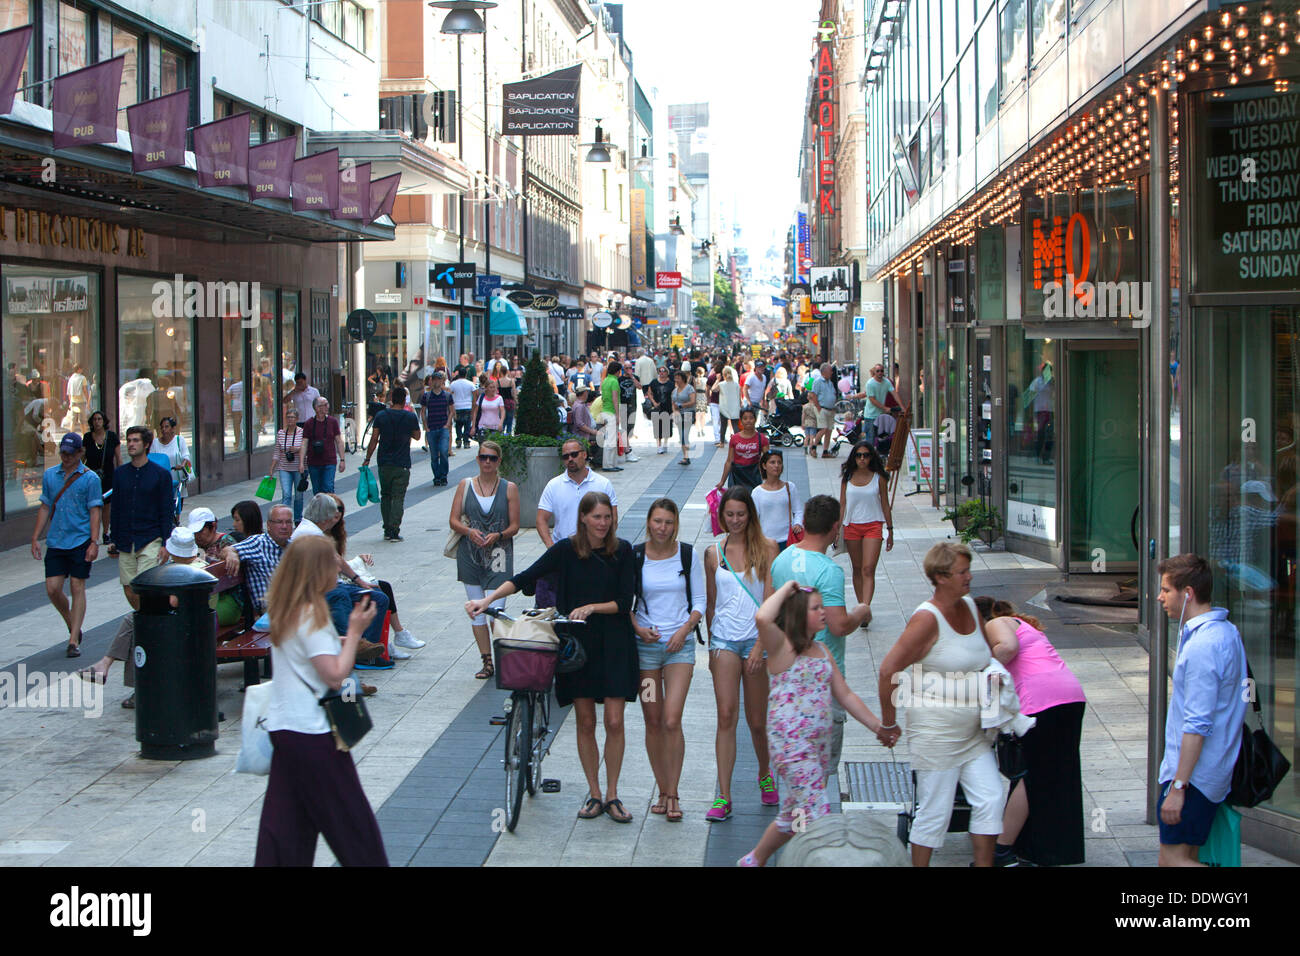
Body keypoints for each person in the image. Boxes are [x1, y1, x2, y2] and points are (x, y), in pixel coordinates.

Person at [468, 491, 640, 823]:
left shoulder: (622, 552)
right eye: (597, 517)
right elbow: (522, 579)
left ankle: (613, 793)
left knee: (615, 721)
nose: (603, 523)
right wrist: (485, 600)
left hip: (615, 640)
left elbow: (624, 600)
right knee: (586, 721)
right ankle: (594, 792)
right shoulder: (566, 550)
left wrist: (592, 607)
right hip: (577, 645)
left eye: (607, 517)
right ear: (583, 519)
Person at [737, 581, 894, 866]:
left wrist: (877, 726)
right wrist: (787, 588)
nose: (823, 612)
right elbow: (762, 617)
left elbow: (844, 694)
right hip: (792, 748)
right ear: (798, 614)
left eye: (823, 607)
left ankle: (753, 860)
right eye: (816, 608)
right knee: (818, 815)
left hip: (816, 749)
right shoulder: (782, 648)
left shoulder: (822, 651)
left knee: (792, 816)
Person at [254, 536, 387, 866]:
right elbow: (335, 676)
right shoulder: (313, 612)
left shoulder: (286, 607)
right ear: (317, 569)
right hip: (313, 734)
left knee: (286, 824)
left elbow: (305, 652)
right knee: (351, 822)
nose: (338, 566)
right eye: (332, 561)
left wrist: (336, 639)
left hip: (284, 728)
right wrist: (355, 633)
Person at [876, 542, 1003, 867]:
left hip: (974, 733)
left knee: (990, 797)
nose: (969, 577)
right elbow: (889, 669)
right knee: (934, 813)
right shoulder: (926, 619)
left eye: (968, 570)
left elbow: (989, 659)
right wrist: (888, 723)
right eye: (963, 572)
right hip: (936, 735)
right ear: (942, 577)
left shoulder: (972, 607)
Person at [974, 597, 1087, 867]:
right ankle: (1045, 847)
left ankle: (1001, 848)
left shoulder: (997, 623)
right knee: (1057, 773)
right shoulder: (1022, 624)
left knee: (1032, 775)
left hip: (1042, 701)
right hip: (1070, 697)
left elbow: (1008, 650)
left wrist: (975, 667)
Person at [1154, 553, 1248, 868]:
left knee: (1174, 859)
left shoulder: (1203, 646)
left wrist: (1178, 787)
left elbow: (1197, 724)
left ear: (1188, 593)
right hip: (1208, 773)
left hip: (1194, 777)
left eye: (1166, 590)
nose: (1160, 597)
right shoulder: (1226, 632)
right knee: (1180, 857)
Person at [770, 494, 871, 782]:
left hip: (788, 674)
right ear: (835, 528)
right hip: (823, 678)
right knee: (820, 774)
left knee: (796, 768)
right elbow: (839, 626)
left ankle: (796, 821)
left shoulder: (782, 559)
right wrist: (861, 612)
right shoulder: (829, 570)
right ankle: (810, 824)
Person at [79, 426, 173, 703]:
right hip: (126, 544)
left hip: (150, 541)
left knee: (143, 596)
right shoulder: (120, 475)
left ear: (147, 444)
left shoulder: (160, 475)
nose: (130, 445)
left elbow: (167, 509)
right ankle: (145, 625)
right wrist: (113, 539)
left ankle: (130, 644)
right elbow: (116, 509)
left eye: (135, 441)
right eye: (128, 441)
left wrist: (166, 542)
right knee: (133, 597)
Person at [704, 487, 780, 821]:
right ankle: (724, 794)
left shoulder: (767, 548)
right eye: (729, 514)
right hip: (723, 640)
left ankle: (765, 771)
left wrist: (761, 647)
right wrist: (710, 646)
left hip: (754, 641)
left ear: (750, 514)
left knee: (757, 721)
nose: (735, 520)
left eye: (741, 514)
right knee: (725, 715)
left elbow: (771, 602)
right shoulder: (713, 552)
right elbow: (710, 602)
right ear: (722, 516)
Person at [632, 500, 704, 823]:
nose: (662, 528)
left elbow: (699, 602)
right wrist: (637, 627)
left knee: (672, 719)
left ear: (676, 525)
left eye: (668, 522)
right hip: (646, 650)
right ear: (649, 523)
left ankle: (673, 791)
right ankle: (661, 789)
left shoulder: (687, 554)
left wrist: (685, 629)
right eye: (657, 521)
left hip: (680, 648)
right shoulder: (634, 555)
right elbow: (625, 602)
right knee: (653, 719)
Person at [449, 440, 520, 680]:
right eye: (482, 457)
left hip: (499, 554)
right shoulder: (465, 485)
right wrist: (469, 532)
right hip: (470, 554)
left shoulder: (509, 488)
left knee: (495, 611)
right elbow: (454, 520)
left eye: (491, 458)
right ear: (477, 459)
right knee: (476, 611)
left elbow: (515, 526)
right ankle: (487, 661)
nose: (487, 462)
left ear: (499, 461)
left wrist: (498, 535)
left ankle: (502, 659)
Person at [324, 493, 425, 657]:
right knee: (379, 593)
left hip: (341, 579)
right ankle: (375, 646)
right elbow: (334, 565)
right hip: (335, 583)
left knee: (383, 587)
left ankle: (393, 638)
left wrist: (357, 560)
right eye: (334, 510)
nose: (337, 514)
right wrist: (356, 564)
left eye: (340, 510)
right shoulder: (318, 534)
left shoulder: (335, 533)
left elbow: (339, 563)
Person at [31, 433, 102, 657]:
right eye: (63, 453)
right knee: (52, 588)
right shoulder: (51, 476)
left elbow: (95, 510)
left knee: (77, 586)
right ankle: (72, 622)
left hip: (80, 539)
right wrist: (35, 537)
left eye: (71, 454)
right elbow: (44, 506)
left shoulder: (90, 479)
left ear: (80, 453)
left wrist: (94, 541)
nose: (67, 457)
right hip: (57, 540)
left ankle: (73, 641)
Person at [535, 438, 617, 608]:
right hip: (565, 555)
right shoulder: (554, 485)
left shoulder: (603, 484)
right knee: (564, 604)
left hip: (596, 554)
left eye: (574, 454)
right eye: (565, 456)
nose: (570, 459)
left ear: (584, 454)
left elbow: (613, 520)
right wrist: (552, 548)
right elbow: (541, 520)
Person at [839, 440, 894, 612]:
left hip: (873, 525)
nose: (862, 459)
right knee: (857, 569)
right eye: (859, 455)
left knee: (868, 568)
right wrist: (837, 529)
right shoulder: (847, 477)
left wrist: (890, 530)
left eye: (866, 455)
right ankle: (861, 603)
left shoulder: (879, 478)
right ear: (854, 457)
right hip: (852, 526)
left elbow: (885, 504)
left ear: (871, 457)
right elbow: (842, 505)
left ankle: (865, 608)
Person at [363, 385, 421, 542]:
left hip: (384, 462)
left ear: (391, 399)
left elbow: (374, 439)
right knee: (398, 497)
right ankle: (394, 530)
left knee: (386, 496)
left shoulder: (381, 416)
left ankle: (387, 528)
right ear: (404, 400)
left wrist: (367, 458)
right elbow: (417, 436)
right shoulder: (409, 417)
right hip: (402, 463)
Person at [751, 450, 804, 551]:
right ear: (764, 466)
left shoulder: (790, 487)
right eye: (772, 462)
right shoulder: (757, 492)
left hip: (788, 540)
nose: (776, 465)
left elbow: (798, 510)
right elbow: (754, 519)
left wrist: (798, 523)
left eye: (779, 462)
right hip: (766, 542)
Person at [82, 410, 119, 551]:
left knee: (107, 506)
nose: (97, 422)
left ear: (104, 421)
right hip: (91, 476)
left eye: (99, 419)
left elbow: (118, 458)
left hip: (108, 475)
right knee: (92, 505)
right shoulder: (87, 437)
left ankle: (105, 532)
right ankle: (93, 535)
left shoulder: (112, 437)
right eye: (94, 419)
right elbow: (82, 458)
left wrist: (120, 475)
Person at [715, 407, 768, 493]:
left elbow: (767, 461)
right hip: (737, 476)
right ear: (741, 420)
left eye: (751, 418)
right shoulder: (734, 438)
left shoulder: (762, 439)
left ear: (755, 419)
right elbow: (729, 461)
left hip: (754, 476)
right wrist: (722, 481)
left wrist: (768, 480)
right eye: (745, 418)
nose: (748, 421)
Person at [269, 406, 306, 524]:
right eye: (288, 417)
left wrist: (297, 449)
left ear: (297, 419)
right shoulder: (281, 433)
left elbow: (306, 449)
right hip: (284, 467)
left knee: (299, 495)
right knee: (286, 494)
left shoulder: (301, 432)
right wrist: (272, 468)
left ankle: (297, 519)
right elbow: (277, 451)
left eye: (292, 417)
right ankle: (285, 519)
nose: (290, 420)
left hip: (298, 467)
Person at [150, 416, 191, 520]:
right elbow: (151, 458)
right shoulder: (155, 443)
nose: (164, 430)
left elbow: (186, 455)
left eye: (167, 427)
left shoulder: (179, 440)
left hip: (176, 477)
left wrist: (182, 465)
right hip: (160, 479)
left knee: (176, 505)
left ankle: (176, 521)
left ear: (173, 428)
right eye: (162, 427)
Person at [302, 396, 345, 496]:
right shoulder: (309, 423)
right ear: (317, 408)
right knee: (317, 491)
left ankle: (330, 510)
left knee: (328, 487)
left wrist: (342, 460)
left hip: (329, 461)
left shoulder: (333, 422)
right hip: (313, 462)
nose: (327, 407)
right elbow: (304, 443)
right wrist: (301, 462)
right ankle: (320, 511)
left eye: (327, 404)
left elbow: (339, 441)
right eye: (325, 405)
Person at [419, 371, 454, 486]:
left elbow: (452, 411)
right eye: (434, 379)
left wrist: (447, 425)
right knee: (434, 455)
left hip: (443, 428)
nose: (436, 382)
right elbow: (423, 411)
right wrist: (426, 426)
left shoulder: (447, 395)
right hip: (431, 428)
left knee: (443, 451)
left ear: (442, 381)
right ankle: (437, 476)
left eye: (438, 380)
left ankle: (443, 475)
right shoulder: (427, 396)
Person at [861, 363, 900, 446]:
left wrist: (902, 407)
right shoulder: (870, 383)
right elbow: (872, 399)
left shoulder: (886, 382)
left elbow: (894, 394)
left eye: (881, 371)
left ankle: (877, 456)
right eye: (877, 371)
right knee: (870, 440)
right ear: (874, 372)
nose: (880, 373)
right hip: (871, 415)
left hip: (881, 415)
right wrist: (885, 408)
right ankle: (869, 456)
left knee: (881, 438)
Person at [807, 363, 838, 458]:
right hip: (822, 408)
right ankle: (813, 447)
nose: (832, 372)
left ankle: (825, 451)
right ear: (824, 371)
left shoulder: (830, 382)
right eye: (830, 371)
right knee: (823, 429)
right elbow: (813, 394)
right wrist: (818, 407)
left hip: (830, 409)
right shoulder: (818, 381)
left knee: (829, 430)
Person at [598, 360, 624, 470]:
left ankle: (612, 464)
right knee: (611, 440)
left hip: (605, 411)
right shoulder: (614, 381)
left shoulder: (605, 381)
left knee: (610, 439)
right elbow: (615, 398)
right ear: (617, 371)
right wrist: (618, 415)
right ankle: (608, 465)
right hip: (611, 412)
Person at [648, 365, 675, 456]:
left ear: (667, 373)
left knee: (667, 426)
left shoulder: (671, 384)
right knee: (657, 426)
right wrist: (654, 402)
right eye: (660, 371)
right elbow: (649, 393)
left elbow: (673, 396)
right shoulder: (654, 382)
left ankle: (665, 443)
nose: (662, 373)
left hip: (667, 407)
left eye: (664, 371)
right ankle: (659, 445)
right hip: (657, 407)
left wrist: (674, 408)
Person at [470, 376, 505, 442]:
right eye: (491, 387)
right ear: (486, 388)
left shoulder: (499, 398)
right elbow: (476, 412)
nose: (493, 389)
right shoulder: (482, 397)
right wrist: (473, 426)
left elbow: (502, 411)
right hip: (483, 426)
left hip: (495, 426)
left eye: (494, 387)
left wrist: (501, 423)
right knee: (483, 447)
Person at [671, 370, 695, 466]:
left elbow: (693, 401)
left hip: (688, 413)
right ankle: (685, 456)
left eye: (678, 377)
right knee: (681, 436)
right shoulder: (675, 390)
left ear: (683, 378)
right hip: (678, 415)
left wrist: (681, 406)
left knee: (685, 434)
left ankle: (686, 457)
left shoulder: (689, 388)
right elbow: (672, 402)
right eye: (675, 377)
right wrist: (675, 411)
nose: (676, 379)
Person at [449, 367, 476, 449]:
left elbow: (450, 395)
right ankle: (466, 441)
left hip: (457, 406)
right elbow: (475, 395)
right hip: (467, 406)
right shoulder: (470, 384)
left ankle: (458, 440)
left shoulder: (453, 384)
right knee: (467, 424)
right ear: (466, 374)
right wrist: (473, 407)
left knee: (458, 425)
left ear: (458, 374)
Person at [717, 365, 741, 446]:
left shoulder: (721, 384)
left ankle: (722, 442)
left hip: (724, 407)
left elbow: (713, 389)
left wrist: (717, 380)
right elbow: (739, 396)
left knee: (723, 426)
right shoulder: (736, 384)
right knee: (735, 426)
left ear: (723, 375)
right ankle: (739, 442)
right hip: (735, 407)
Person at [692, 367, 709, 439]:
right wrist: (708, 398)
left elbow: (694, 390)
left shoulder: (695, 380)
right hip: (703, 396)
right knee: (703, 415)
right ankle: (702, 429)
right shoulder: (705, 380)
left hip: (697, 397)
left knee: (697, 415)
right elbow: (707, 389)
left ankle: (698, 430)